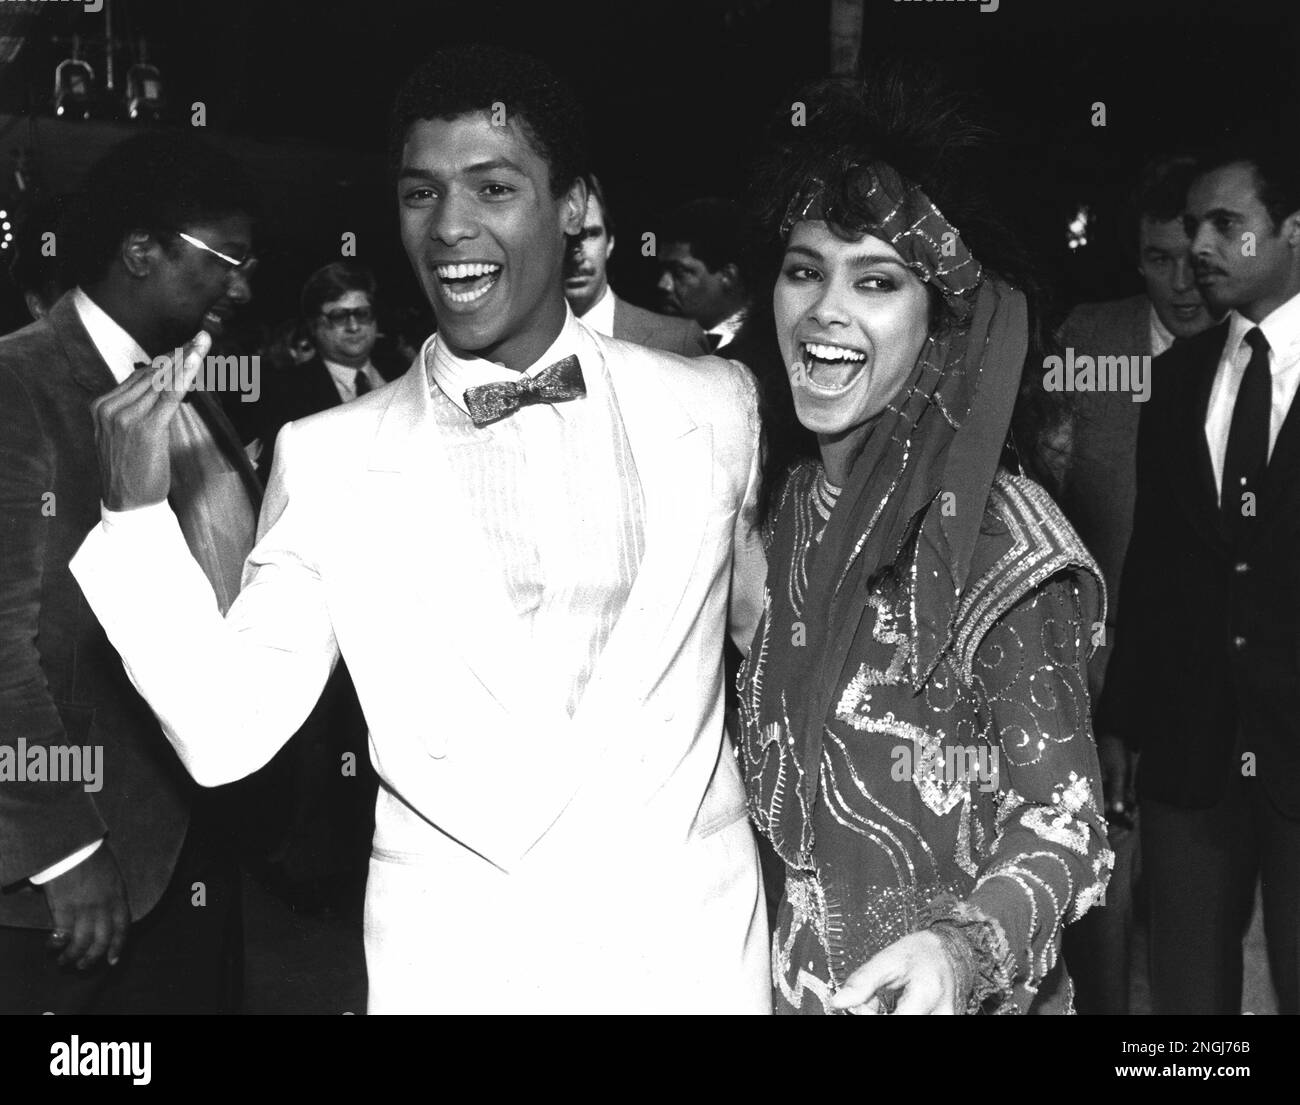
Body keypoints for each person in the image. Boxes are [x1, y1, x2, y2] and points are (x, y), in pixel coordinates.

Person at [69, 44, 770, 1014]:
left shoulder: (720, 407)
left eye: (492, 187)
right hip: (460, 977)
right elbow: (228, 733)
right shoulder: (329, 460)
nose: (450, 227)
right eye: (419, 194)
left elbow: (775, 646)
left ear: (573, 208)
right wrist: (136, 511)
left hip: (689, 967)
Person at [736, 76, 1111, 1014]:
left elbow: (1064, 822)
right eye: (804, 268)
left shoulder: (1000, 545)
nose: (826, 308)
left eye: (875, 281)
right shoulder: (780, 511)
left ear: (942, 320)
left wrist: (958, 950)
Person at [0, 132, 261, 1013]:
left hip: (198, 844)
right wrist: (66, 851)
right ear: (139, 251)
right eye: (225, 259)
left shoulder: (192, 380)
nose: (242, 284)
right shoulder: (18, 383)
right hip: (77, 884)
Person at [1098, 133, 1300, 1014]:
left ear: (1292, 230)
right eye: (1191, 226)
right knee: (1187, 1008)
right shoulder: (1176, 379)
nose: (1200, 249)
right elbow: (1154, 570)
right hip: (1189, 752)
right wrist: (1120, 723)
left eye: (1228, 224)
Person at [1056, 155, 1220, 1014]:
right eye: (1159, 259)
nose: (1182, 283)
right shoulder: (1088, 343)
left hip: (1229, 693)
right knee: (1101, 906)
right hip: (1101, 680)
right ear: (1135, 257)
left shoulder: (1265, 357)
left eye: (1195, 259)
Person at [254, 262, 403, 477]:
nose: (354, 326)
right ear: (314, 325)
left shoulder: (403, 371)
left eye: (362, 314)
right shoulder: (287, 392)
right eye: (339, 317)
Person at [565, 172, 709, 356]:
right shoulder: (519, 343)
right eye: (566, 237)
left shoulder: (677, 342)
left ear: (610, 242)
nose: (577, 254)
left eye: (591, 234)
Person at [657, 197, 754, 350]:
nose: (663, 285)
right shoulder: (658, 339)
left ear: (728, 276)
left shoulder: (768, 346)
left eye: (679, 272)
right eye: (662, 270)